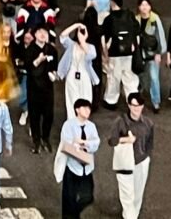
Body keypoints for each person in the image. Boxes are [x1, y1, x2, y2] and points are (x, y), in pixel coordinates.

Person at [106, 91, 154, 219]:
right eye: (133, 105)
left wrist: (146, 157)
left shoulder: (148, 123)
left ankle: (132, 215)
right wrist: (125, 140)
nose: (135, 109)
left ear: (142, 106)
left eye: (138, 106)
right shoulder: (120, 122)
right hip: (125, 163)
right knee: (127, 195)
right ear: (128, 105)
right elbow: (111, 140)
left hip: (141, 162)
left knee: (138, 194)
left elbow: (150, 143)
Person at [56, 99, 99, 219]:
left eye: (89, 109)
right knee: (69, 198)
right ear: (77, 110)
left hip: (87, 168)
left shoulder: (91, 126)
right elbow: (67, 144)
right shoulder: (68, 125)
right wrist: (77, 145)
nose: (87, 111)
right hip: (72, 168)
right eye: (84, 108)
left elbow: (96, 143)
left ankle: (74, 214)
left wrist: (83, 143)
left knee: (88, 197)